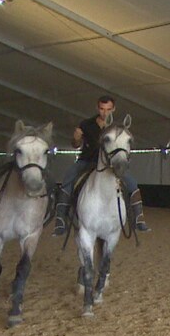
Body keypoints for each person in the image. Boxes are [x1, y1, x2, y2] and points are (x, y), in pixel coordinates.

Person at [52, 95, 150, 235]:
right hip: (86, 161)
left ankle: (139, 219)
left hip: (109, 164)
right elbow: (75, 145)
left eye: (108, 109)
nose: (105, 112)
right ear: (98, 108)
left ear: (113, 109)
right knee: (69, 177)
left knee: (131, 182)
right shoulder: (86, 124)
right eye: (102, 109)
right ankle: (60, 219)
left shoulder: (117, 128)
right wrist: (76, 138)